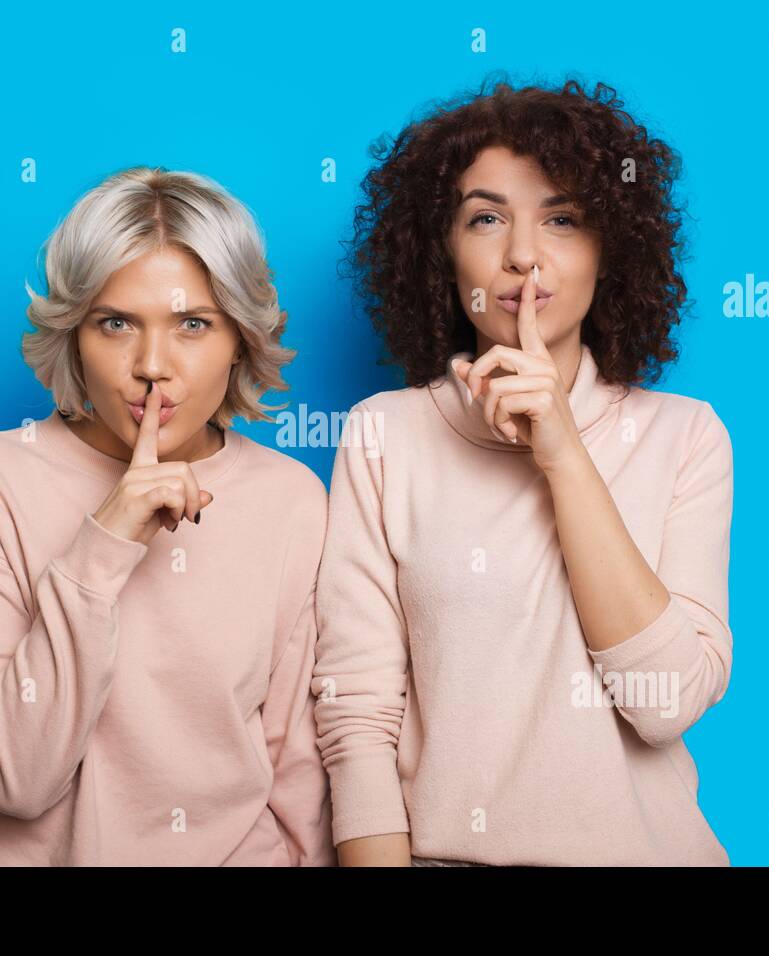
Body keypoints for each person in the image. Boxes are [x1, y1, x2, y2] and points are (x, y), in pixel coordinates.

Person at [312, 76, 734, 866]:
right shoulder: (384, 434)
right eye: (485, 218)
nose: (524, 256)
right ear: (441, 249)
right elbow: (357, 716)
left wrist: (563, 452)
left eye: (563, 218)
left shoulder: (686, 437)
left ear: (612, 249)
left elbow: (666, 702)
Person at [0, 167, 334, 865]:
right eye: (116, 324)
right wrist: (106, 541)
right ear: (75, 336)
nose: (152, 364)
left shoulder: (290, 497)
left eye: (192, 324)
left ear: (238, 336)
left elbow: (296, 771)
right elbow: (13, 780)